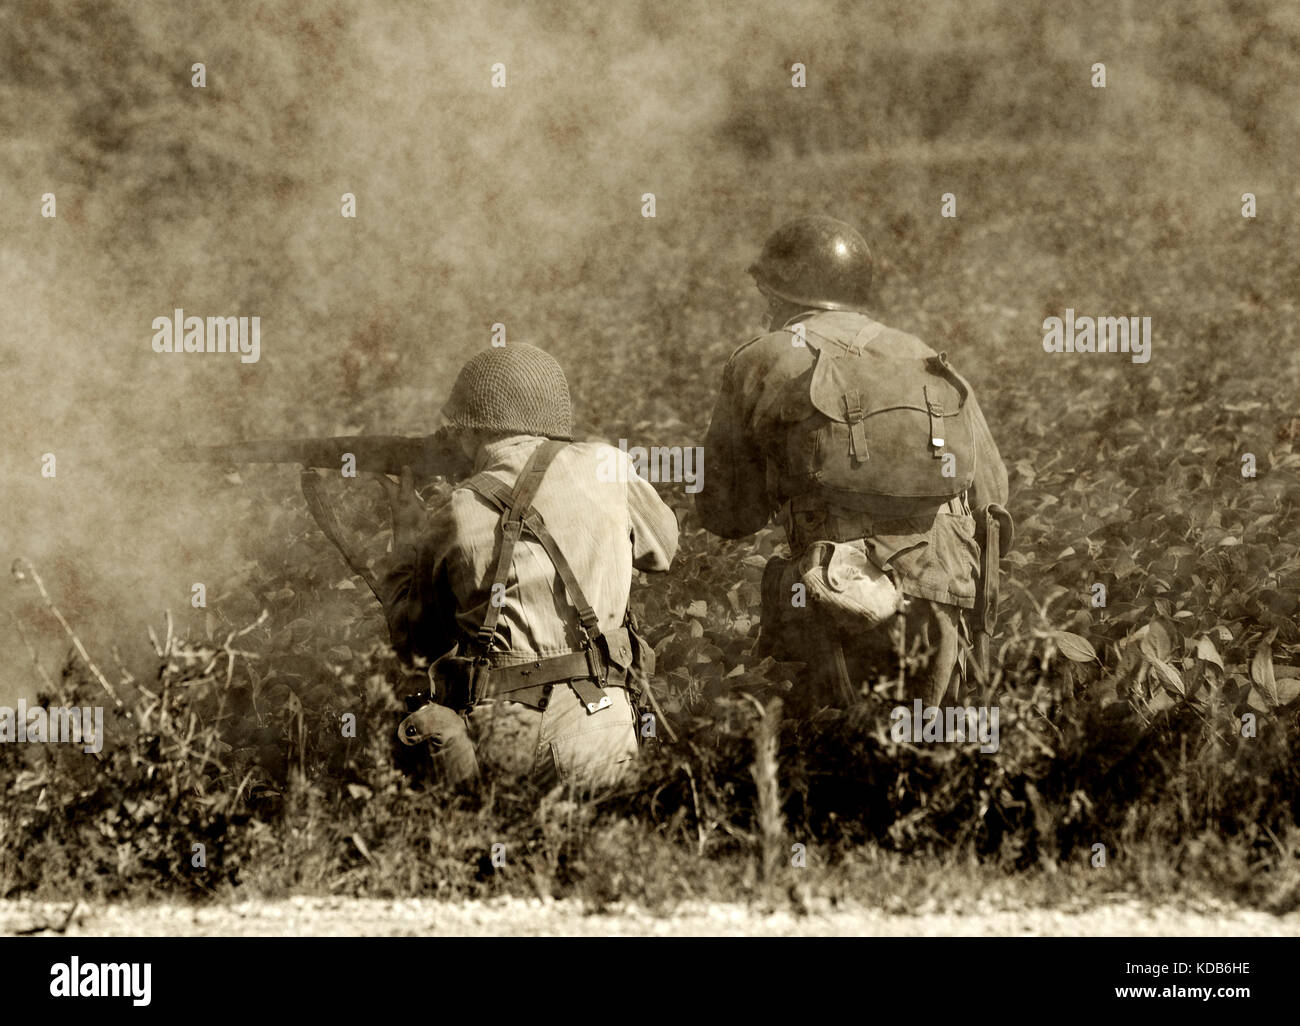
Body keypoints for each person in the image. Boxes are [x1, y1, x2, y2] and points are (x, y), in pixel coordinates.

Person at [696, 215, 1010, 710]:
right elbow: (992, 499)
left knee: (828, 764)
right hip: (943, 602)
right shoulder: (926, 356)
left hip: (831, 602)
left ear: (781, 296)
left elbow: (726, 513)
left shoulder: (762, 357)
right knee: (930, 758)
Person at [378, 344, 678, 793]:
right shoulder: (606, 466)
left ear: (467, 429)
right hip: (599, 724)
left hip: (500, 730)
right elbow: (663, 550)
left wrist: (405, 535)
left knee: (504, 857)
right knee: (596, 857)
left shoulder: (457, 511)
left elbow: (416, 644)